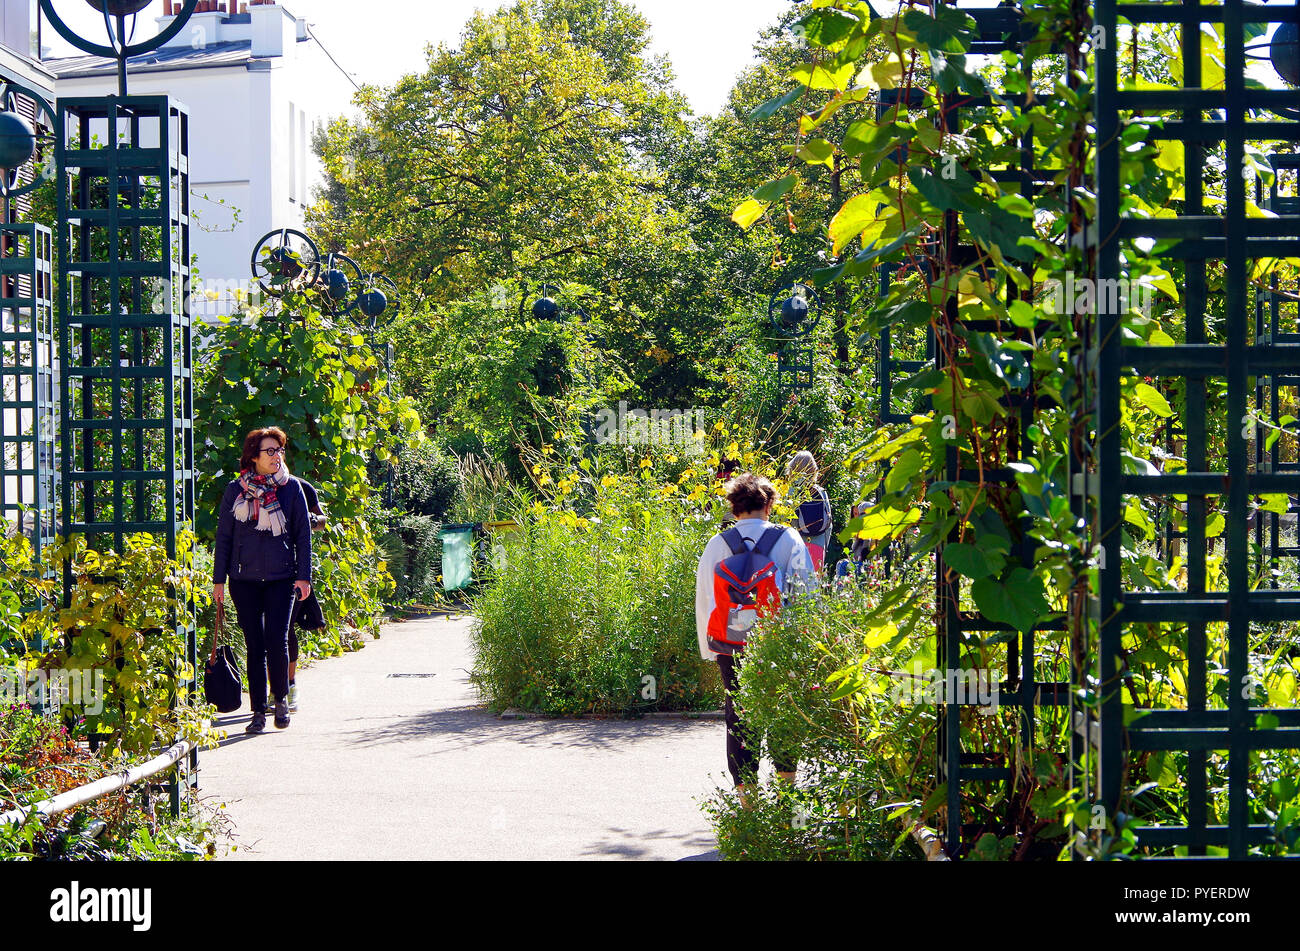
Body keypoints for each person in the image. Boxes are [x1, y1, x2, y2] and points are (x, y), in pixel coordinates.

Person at [694, 473, 815, 805]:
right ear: (770, 505)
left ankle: (748, 800)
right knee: (782, 711)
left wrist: (711, 650)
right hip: (779, 645)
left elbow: (706, 600)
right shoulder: (789, 539)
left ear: (734, 508)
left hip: (732, 647)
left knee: (739, 715)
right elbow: (806, 593)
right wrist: (804, 645)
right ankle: (787, 797)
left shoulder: (718, 544)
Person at [212, 426, 313, 733]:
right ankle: (258, 711)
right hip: (244, 579)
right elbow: (224, 537)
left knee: (277, 641)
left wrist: (303, 577)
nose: (276, 456)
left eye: (280, 451)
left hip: (282, 578)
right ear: (253, 456)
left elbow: (302, 535)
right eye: (270, 451)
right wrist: (219, 580)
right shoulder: (236, 489)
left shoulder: (291, 488)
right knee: (254, 645)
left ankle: (280, 701)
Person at [786, 450, 832, 574]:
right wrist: (824, 547)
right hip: (818, 545)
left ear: (792, 468)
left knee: (795, 587)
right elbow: (829, 523)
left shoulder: (789, 492)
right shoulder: (821, 492)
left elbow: (784, 522)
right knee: (814, 587)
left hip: (796, 547)